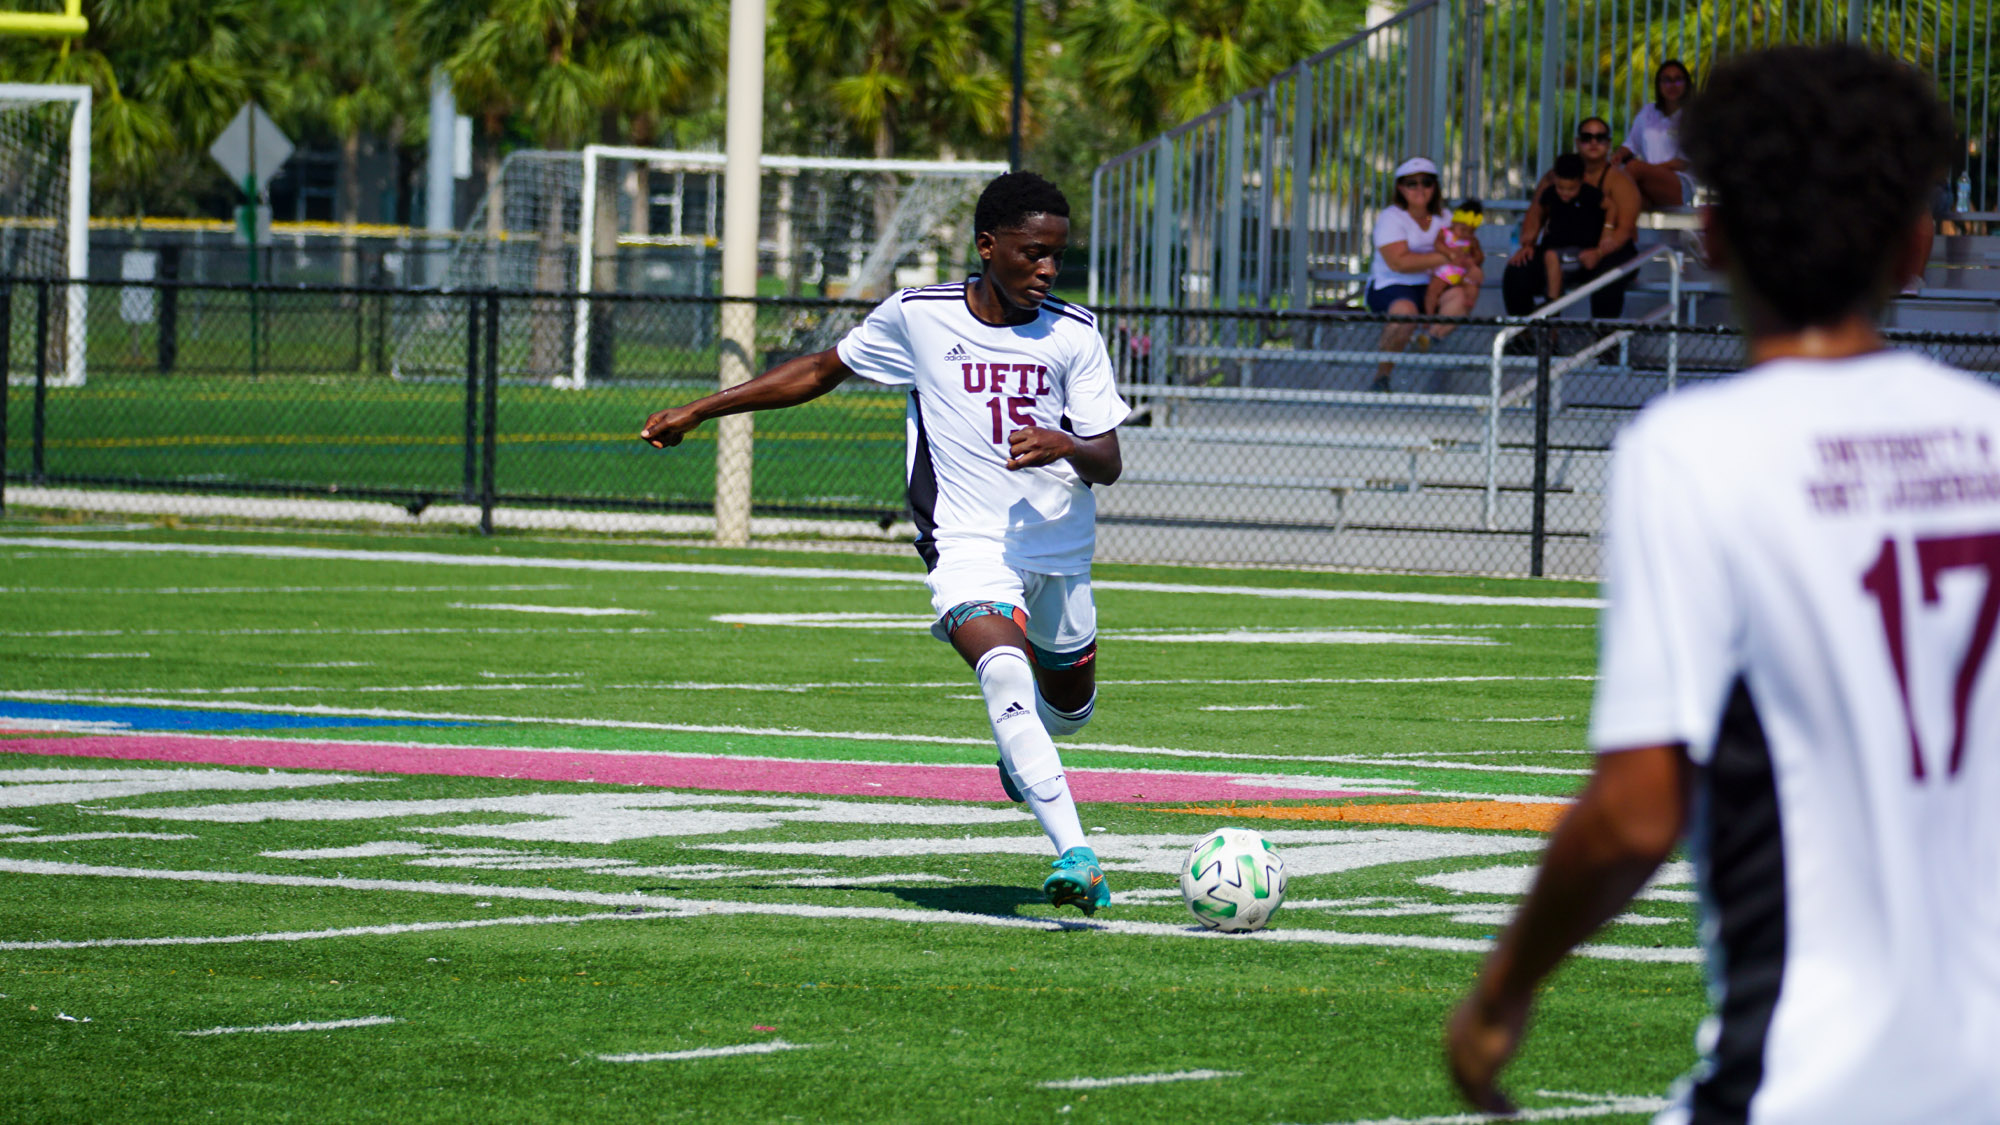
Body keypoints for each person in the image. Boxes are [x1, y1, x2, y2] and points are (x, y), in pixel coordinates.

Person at [1446, 44, 2000, 1122]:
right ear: (1914, 244)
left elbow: (1636, 811)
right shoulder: (1985, 438)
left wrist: (1499, 991)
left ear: (1709, 236)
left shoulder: (1697, 450)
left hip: (1809, 1077)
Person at [639, 172, 1129, 915]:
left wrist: (1064, 441)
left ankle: (1024, 755)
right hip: (966, 541)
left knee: (1068, 710)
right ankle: (1076, 851)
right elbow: (818, 370)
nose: (1048, 269)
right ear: (988, 246)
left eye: (1058, 255)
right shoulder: (918, 316)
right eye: (1034, 253)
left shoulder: (1076, 331)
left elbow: (1109, 462)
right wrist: (704, 409)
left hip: (1059, 547)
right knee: (1001, 670)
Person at [1502, 123, 1642, 320]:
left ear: (1609, 144)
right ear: (1578, 142)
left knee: (1608, 277)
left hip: (1605, 253)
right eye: (1587, 137)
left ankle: (1605, 345)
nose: (1593, 142)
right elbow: (1536, 212)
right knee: (1517, 270)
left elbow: (1625, 229)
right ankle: (1523, 340)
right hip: (1560, 251)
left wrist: (1600, 251)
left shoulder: (1620, 182)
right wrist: (1527, 244)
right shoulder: (1554, 178)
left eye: (1600, 137)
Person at [1366, 157, 1474, 390]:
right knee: (1406, 312)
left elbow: (1466, 250)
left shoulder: (1444, 217)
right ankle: (1382, 376)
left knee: (1461, 297)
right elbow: (1399, 263)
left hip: (1433, 283)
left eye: (1426, 182)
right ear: (1400, 187)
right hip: (1391, 285)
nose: (1419, 188)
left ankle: (1426, 339)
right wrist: (1447, 257)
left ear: (1435, 187)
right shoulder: (1391, 217)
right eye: (1411, 183)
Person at [1612, 59, 1695, 209]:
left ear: (1687, 83)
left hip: (1680, 183)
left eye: (1678, 80)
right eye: (1667, 80)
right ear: (1658, 84)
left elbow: (1683, 162)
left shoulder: (1694, 115)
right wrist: (1617, 156)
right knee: (1633, 204)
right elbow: (1630, 145)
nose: (1672, 85)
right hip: (1646, 182)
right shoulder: (1648, 112)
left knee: (1632, 170)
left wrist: (1647, 170)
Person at [1422, 199, 1486, 328]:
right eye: (1463, 229)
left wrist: (1472, 261)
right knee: (1432, 291)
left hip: (1461, 272)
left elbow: (1480, 257)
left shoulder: (1472, 240)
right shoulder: (1445, 233)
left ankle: (1468, 302)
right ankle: (1428, 317)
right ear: (1454, 222)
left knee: (1472, 286)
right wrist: (1450, 253)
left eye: (1471, 231)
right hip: (1445, 271)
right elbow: (1438, 244)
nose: (1466, 234)